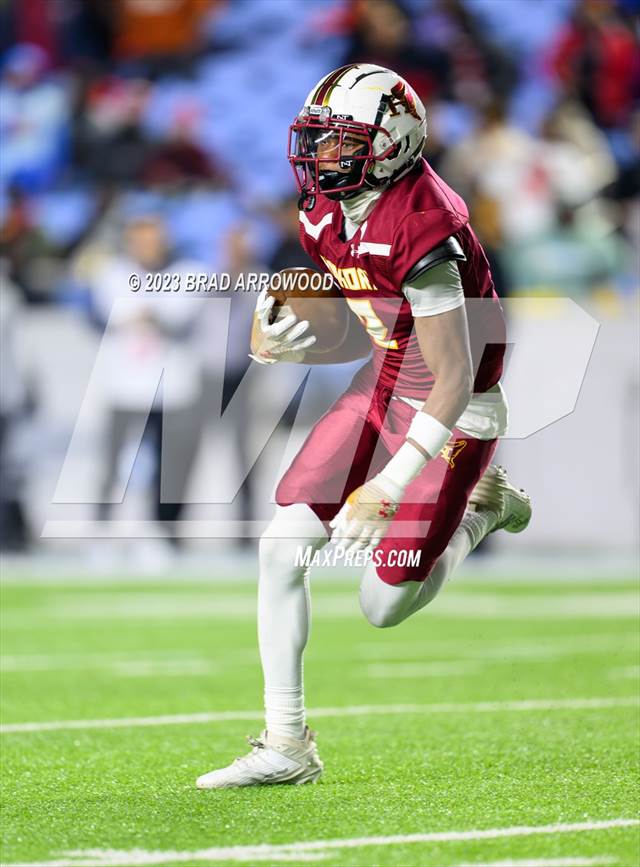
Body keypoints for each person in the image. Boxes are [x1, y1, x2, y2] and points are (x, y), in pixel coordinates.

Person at [196, 64, 531, 789]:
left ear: (391, 144)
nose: (321, 157)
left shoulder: (426, 229)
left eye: (341, 142)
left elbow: (453, 377)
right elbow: (378, 326)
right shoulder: (321, 208)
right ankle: (286, 742)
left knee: (381, 606)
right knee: (281, 546)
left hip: (456, 411)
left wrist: (389, 482)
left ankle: (484, 510)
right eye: (317, 140)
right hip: (383, 386)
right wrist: (300, 339)